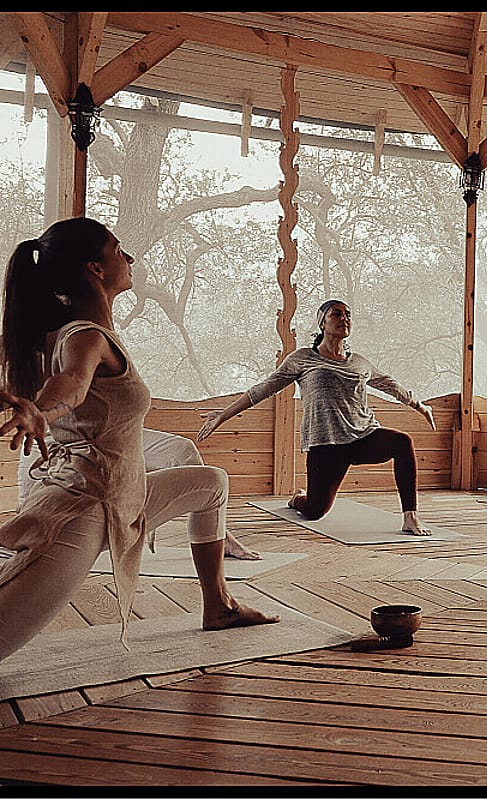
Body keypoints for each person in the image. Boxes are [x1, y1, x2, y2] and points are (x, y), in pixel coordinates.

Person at [0, 217, 278, 661]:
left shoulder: (53, 333)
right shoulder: (85, 337)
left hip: (120, 495)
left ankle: (219, 606)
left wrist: (36, 407)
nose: (128, 258)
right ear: (96, 267)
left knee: (212, 483)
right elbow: (71, 383)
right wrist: (42, 410)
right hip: (85, 512)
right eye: (118, 249)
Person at [197, 299, 436, 535]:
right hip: (326, 445)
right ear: (322, 322)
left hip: (363, 436)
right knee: (314, 511)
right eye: (336, 314)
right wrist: (224, 413)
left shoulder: (359, 362)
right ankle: (298, 499)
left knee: (402, 442)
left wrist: (420, 405)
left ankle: (410, 517)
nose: (344, 318)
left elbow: (389, 384)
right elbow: (265, 388)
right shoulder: (303, 359)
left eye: (348, 315)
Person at [17, 427, 262, 560]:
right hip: (55, 437)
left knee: (183, 451)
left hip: (108, 427)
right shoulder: (39, 343)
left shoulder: (100, 338)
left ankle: (222, 537)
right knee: (43, 526)